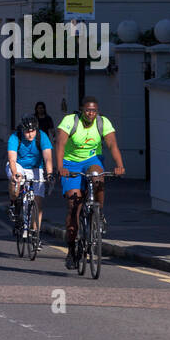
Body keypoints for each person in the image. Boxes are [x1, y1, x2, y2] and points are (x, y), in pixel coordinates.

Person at [56, 97, 124, 269]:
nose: (91, 114)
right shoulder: (70, 121)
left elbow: (112, 144)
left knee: (98, 176)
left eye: (94, 111)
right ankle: (71, 252)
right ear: (81, 110)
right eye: (87, 110)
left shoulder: (103, 122)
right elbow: (60, 145)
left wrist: (119, 165)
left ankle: (99, 214)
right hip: (70, 163)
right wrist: (60, 167)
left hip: (92, 159)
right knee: (73, 206)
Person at [6, 114, 54, 244]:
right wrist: (16, 173)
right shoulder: (15, 137)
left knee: (38, 202)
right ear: (22, 130)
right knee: (16, 182)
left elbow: (48, 158)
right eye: (27, 131)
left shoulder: (42, 136)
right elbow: (12, 159)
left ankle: (35, 234)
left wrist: (49, 174)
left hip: (36, 168)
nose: (30, 134)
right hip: (19, 166)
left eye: (32, 131)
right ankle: (14, 204)